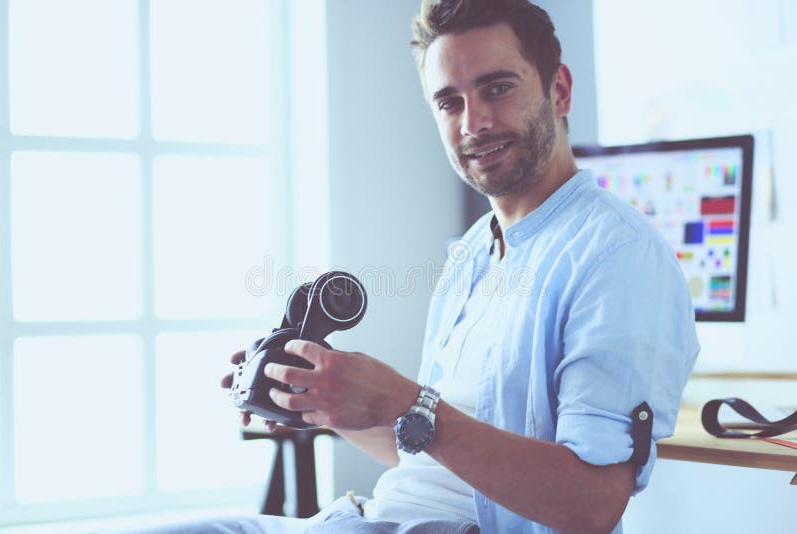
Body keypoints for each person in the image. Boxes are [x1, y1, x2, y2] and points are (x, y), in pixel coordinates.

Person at [138, 0, 699, 532]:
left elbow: (593, 505)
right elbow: (427, 452)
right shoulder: (473, 253)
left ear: (559, 90)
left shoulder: (618, 254)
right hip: (371, 517)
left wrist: (406, 401)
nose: (473, 123)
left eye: (497, 88)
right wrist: (325, 402)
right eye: (449, 102)